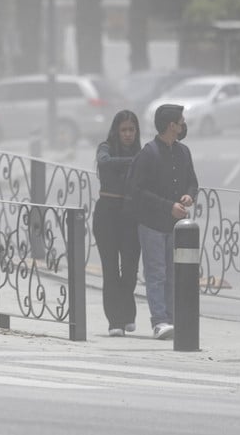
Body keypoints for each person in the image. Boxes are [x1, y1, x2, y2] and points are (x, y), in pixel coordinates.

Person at [128, 103, 198, 341]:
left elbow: (192, 181)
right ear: (172, 126)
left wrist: (189, 195)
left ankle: (171, 317)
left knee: (172, 274)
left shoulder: (183, 152)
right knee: (156, 273)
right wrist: (169, 206)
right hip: (152, 225)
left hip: (176, 227)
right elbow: (137, 191)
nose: (183, 125)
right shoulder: (148, 153)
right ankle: (159, 321)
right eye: (181, 122)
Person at [94, 110, 141, 337]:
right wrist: (133, 162)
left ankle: (128, 314)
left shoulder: (142, 152)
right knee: (110, 270)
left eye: (132, 130)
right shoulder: (106, 147)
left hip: (131, 215)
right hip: (107, 214)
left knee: (130, 270)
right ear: (116, 131)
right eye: (124, 130)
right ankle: (115, 321)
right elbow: (104, 163)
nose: (128, 134)